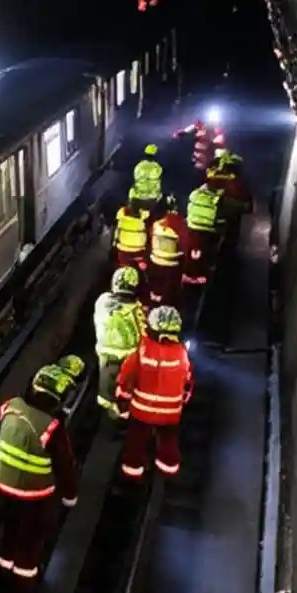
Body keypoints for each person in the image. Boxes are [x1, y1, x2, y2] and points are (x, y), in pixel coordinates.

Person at [0, 366, 81, 593]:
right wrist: (70, 497)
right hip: (35, 496)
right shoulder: (51, 428)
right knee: (30, 540)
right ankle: (23, 588)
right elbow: (65, 466)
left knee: (9, 530)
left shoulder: (9, 407)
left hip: (4, 487)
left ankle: (4, 569)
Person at [116, 306, 193, 483]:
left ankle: (133, 471)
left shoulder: (143, 349)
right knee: (168, 440)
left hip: (141, 410)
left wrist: (123, 401)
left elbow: (126, 376)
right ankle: (168, 466)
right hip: (170, 414)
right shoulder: (181, 353)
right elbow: (188, 381)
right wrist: (183, 400)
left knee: (136, 440)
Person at [94, 267, 147, 418]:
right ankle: (123, 417)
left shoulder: (101, 301)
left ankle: (109, 415)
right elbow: (144, 332)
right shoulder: (136, 309)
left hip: (105, 353)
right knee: (126, 389)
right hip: (128, 356)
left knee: (106, 390)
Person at [147, 195, 187, 306]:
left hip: (155, 261)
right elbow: (185, 245)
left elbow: (151, 240)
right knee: (170, 291)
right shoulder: (181, 226)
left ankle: (154, 300)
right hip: (172, 264)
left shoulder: (156, 225)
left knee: (156, 287)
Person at [184, 183, 222, 285]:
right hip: (206, 230)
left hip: (191, 227)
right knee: (203, 251)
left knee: (191, 249)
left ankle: (187, 274)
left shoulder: (194, 196)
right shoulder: (214, 199)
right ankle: (199, 275)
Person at [129, 144, 164, 214]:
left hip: (137, 197)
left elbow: (135, 179)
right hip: (152, 199)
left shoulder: (139, 166)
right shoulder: (157, 168)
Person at [115, 204, 150, 271]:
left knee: (123, 269)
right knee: (142, 269)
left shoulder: (121, 215)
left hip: (123, 250)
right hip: (139, 251)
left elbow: (117, 233)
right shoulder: (144, 216)